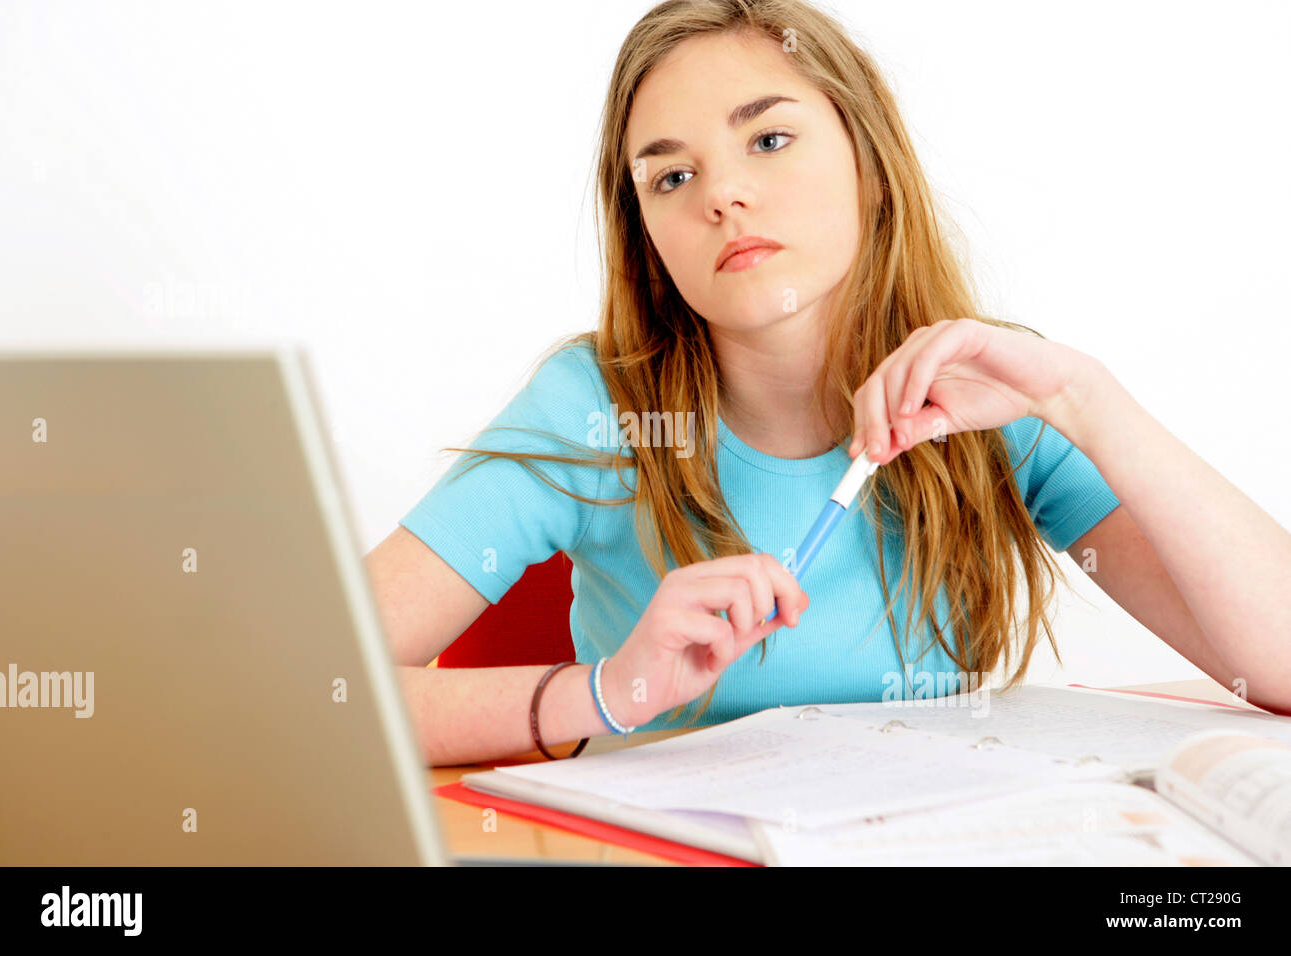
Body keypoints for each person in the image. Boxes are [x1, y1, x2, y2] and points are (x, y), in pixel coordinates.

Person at [366, 0, 1291, 768]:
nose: (721, 195)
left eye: (769, 138)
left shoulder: (989, 395)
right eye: (672, 176)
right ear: (646, 234)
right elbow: (315, 689)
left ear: (872, 167)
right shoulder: (596, 410)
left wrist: (1086, 401)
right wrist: (607, 693)